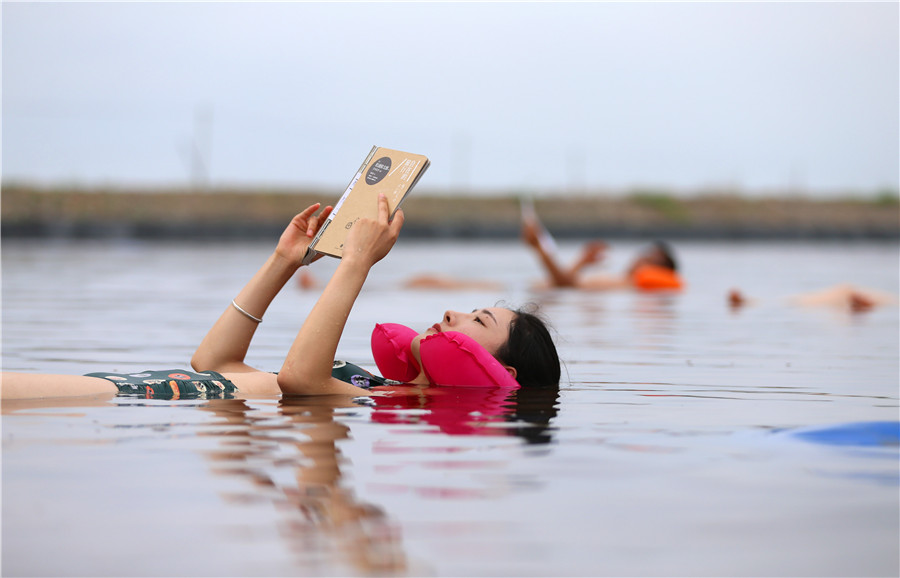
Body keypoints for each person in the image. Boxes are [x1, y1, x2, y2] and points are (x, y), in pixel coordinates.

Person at [1, 195, 561, 400]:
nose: (450, 313)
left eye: (477, 319)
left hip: (120, 402)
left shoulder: (385, 405)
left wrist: (358, 263)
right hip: (134, 386)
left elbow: (296, 380)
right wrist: (283, 262)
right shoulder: (373, 383)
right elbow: (214, 363)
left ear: (493, 367)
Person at [521, 215, 683, 291]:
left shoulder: (625, 284)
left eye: (650, 258)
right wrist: (582, 262)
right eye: (644, 253)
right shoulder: (620, 281)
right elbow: (564, 283)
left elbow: (564, 286)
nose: (640, 257)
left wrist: (538, 248)